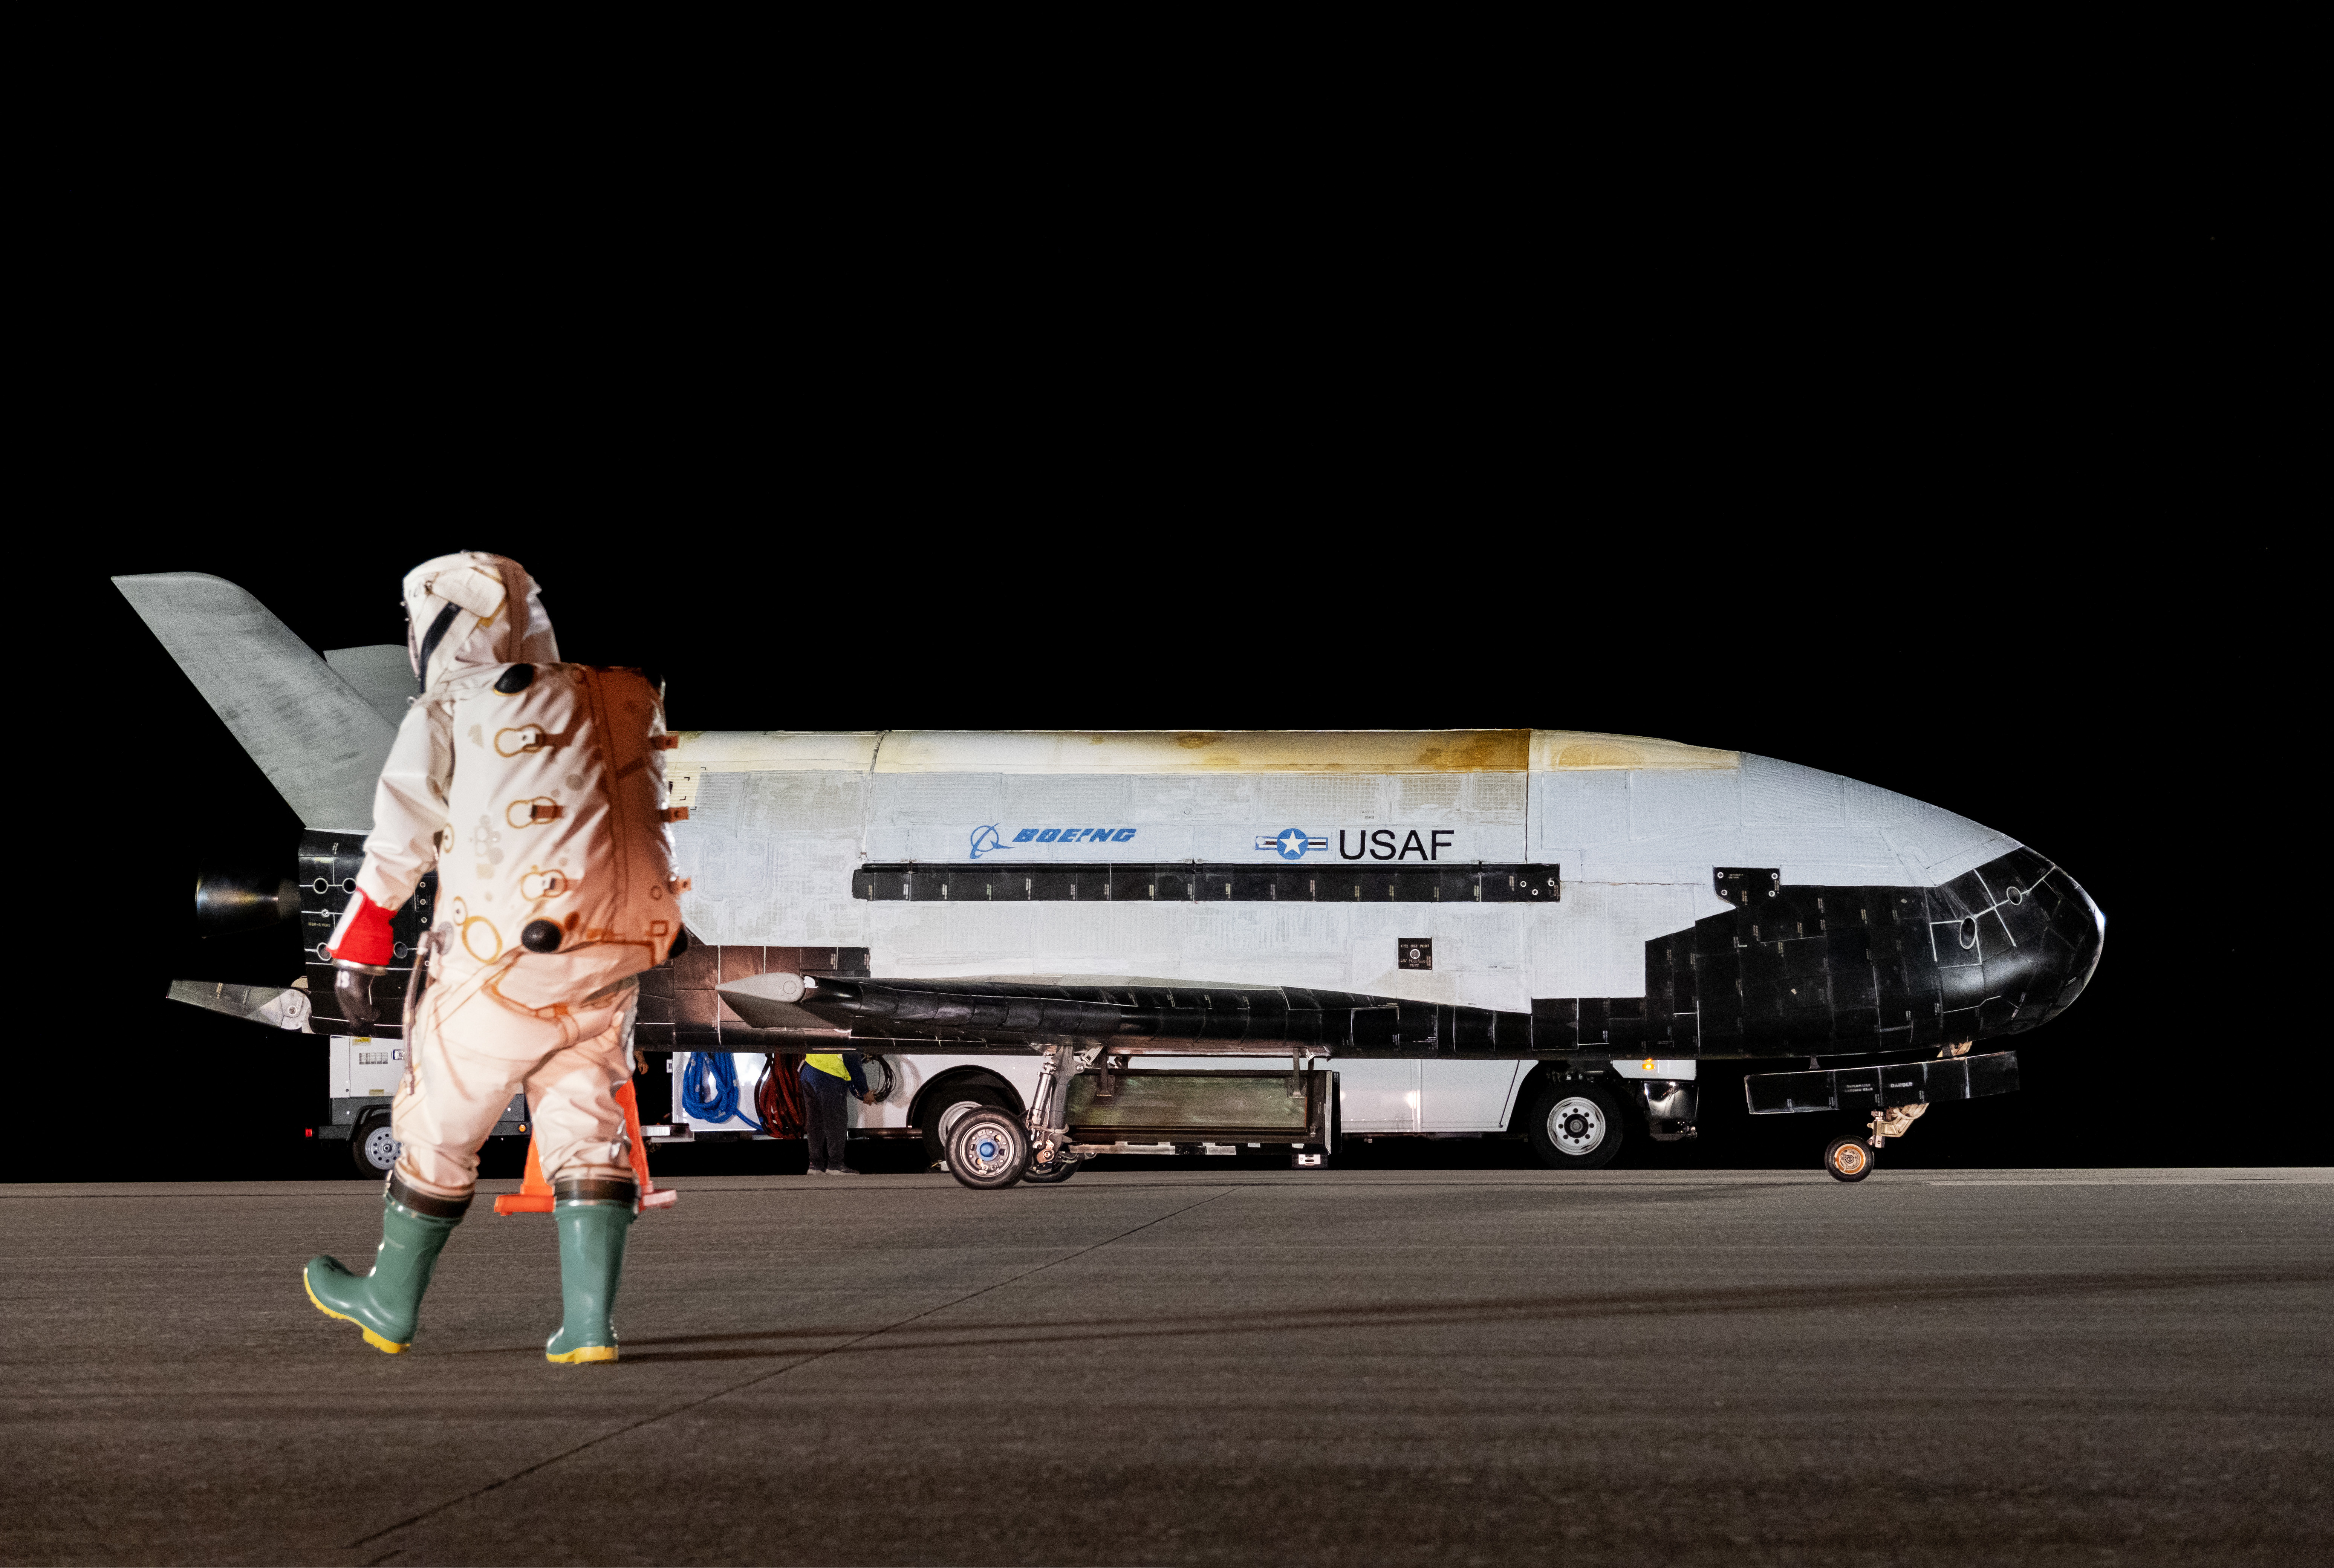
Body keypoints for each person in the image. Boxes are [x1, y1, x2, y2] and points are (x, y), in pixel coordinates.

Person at [301, 551, 685, 1364]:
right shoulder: (615, 695)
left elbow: (401, 833)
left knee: (439, 1125)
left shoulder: (453, 701)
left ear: (440, 623)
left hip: (500, 959)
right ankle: (589, 1328)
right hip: (611, 955)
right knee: (585, 1125)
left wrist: (360, 937)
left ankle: (389, 1301)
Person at [800, 1050, 875, 1173]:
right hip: (830, 1074)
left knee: (815, 1122)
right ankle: (835, 1165)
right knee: (836, 1121)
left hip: (809, 1070)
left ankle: (815, 1166)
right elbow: (853, 1063)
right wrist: (865, 1092)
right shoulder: (851, 1038)